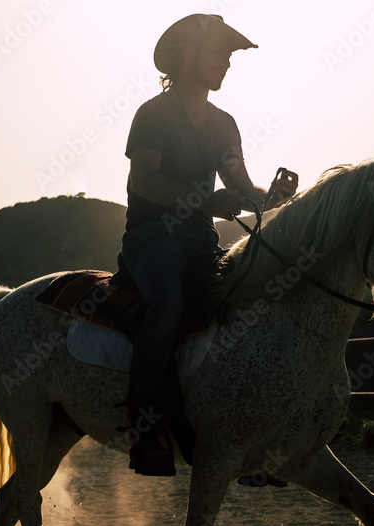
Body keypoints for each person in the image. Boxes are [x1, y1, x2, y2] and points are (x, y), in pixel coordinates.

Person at [120, 14, 297, 476]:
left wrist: (273, 199)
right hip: (152, 238)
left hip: (201, 242)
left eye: (230, 55)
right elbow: (143, 179)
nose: (227, 63)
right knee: (167, 305)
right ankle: (143, 429)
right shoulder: (153, 114)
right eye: (220, 52)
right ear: (188, 54)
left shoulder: (224, 124)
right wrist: (204, 200)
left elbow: (240, 185)